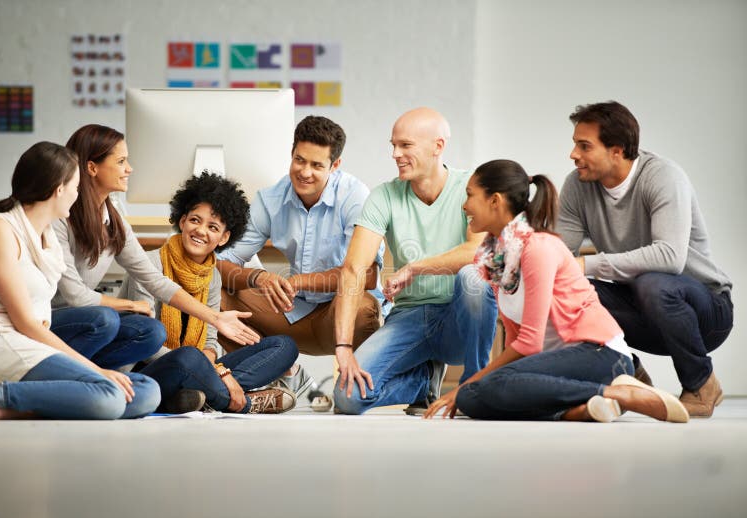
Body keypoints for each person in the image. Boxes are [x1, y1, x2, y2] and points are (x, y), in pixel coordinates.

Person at [423, 160, 689, 423]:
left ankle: (620, 392)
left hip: (600, 356)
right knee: (471, 399)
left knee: (481, 387)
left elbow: (529, 343)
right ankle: (578, 410)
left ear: (495, 200)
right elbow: (516, 342)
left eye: (470, 195)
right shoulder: (497, 260)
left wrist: (467, 384)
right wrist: (468, 389)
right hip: (553, 366)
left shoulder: (538, 247)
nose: (465, 205)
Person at [0, 142, 159, 420]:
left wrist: (99, 375)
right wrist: (97, 371)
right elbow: (24, 323)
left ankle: (8, 412)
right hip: (2, 345)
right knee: (108, 398)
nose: (78, 193)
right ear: (59, 189)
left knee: (148, 391)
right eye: (76, 186)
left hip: (36, 347)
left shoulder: (47, 238)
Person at [557, 101, 733, 418]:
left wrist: (587, 264)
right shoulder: (577, 186)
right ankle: (629, 374)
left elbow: (670, 258)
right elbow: (559, 259)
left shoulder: (662, 177)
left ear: (617, 150)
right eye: (575, 144)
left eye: (584, 146)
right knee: (568, 288)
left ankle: (702, 383)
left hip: (705, 310)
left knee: (652, 282)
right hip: (641, 308)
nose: (574, 155)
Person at [51, 124, 259, 373]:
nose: (129, 169)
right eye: (121, 161)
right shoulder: (59, 218)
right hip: (54, 323)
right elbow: (76, 296)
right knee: (114, 320)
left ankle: (116, 382)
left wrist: (215, 318)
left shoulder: (114, 223)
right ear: (92, 168)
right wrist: (129, 305)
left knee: (149, 332)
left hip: (90, 327)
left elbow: (155, 281)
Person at [331, 107, 498, 415]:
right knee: (347, 396)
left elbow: (477, 253)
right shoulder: (384, 196)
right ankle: (423, 382)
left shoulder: (469, 188)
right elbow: (354, 269)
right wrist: (343, 347)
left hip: (458, 317)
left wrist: (416, 267)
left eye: (405, 145)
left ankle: (475, 389)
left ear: (438, 146)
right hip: (410, 316)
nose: (395, 153)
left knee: (473, 278)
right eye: (393, 145)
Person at [217, 115, 383, 399]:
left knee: (364, 307)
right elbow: (221, 260)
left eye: (317, 165)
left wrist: (301, 281)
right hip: (291, 311)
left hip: (339, 315)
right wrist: (258, 277)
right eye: (299, 160)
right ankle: (283, 373)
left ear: (335, 165)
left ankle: (357, 386)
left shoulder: (355, 196)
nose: (305, 172)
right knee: (208, 290)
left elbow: (367, 276)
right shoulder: (270, 199)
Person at [120, 173, 297, 414]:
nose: (201, 231)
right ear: (182, 221)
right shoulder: (148, 265)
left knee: (284, 346)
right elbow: (146, 344)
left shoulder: (212, 276)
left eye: (212, 227)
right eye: (195, 220)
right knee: (188, 358)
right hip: (147, 372)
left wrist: (215, 369)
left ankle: (198, 397)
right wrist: (214, 371)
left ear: (224, 237)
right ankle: (244, 403)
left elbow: (210, 342)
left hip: (197, 367)